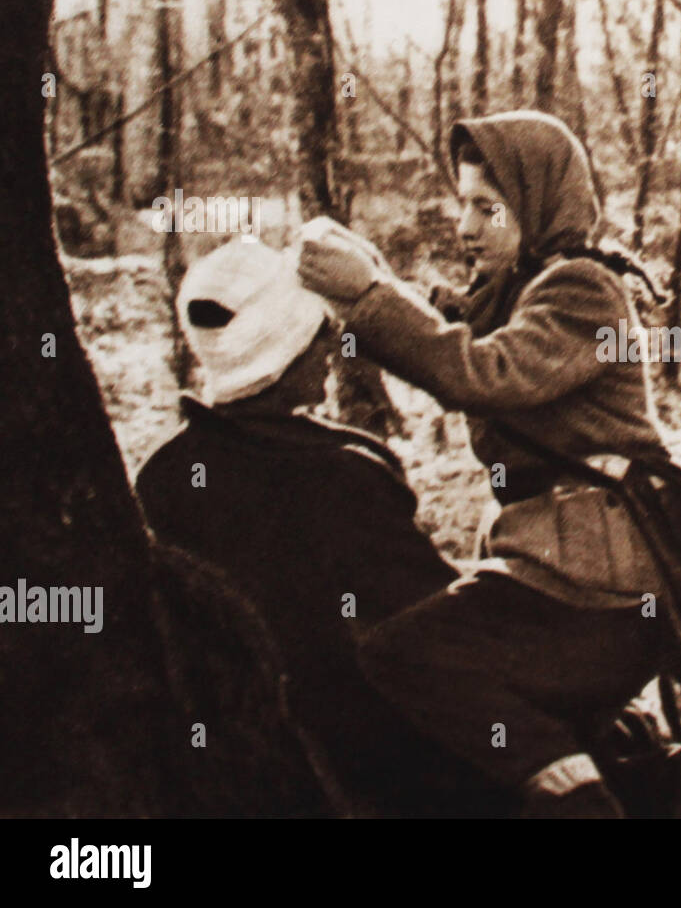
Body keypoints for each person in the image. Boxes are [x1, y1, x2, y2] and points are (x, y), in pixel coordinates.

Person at [297, 110, 681, 818]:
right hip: (566, 577)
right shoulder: (523, 287)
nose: (466, 225)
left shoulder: (581, 290)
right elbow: (455, 327)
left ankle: (581, 806)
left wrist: (369, 295)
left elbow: (480, 372)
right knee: (519, 706)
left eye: (488, 207)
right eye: (463, 203)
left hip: (603, 593)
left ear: (537, 206)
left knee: (407, 654)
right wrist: (374, 278)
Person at [134, 239, 500, 817]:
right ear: (284, 350)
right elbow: (447, 629)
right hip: (377, 777)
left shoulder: (163, 477)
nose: (334, 341)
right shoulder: (344, 474)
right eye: (315, 329)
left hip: (238, 773)